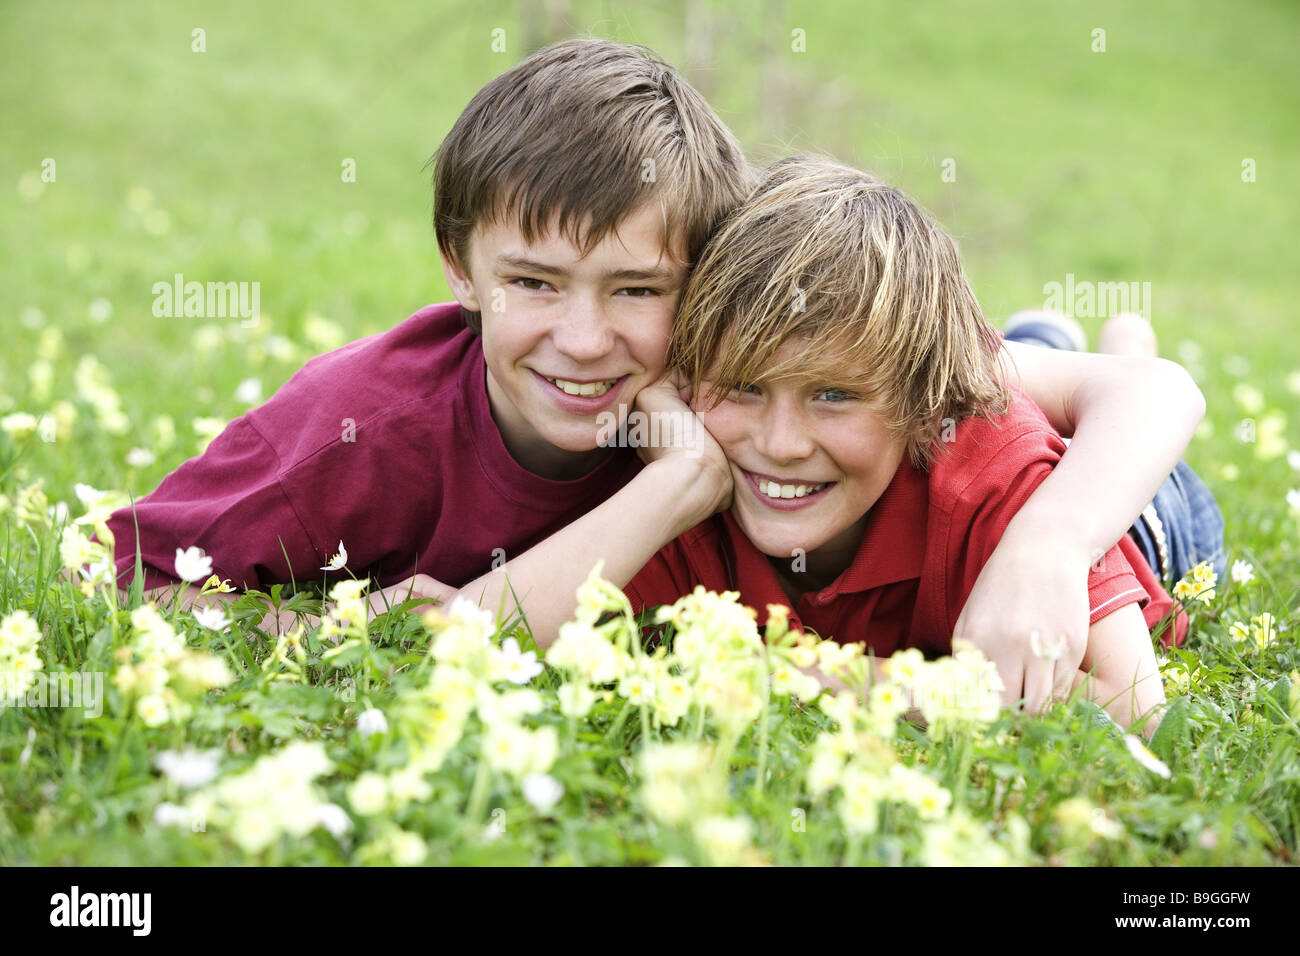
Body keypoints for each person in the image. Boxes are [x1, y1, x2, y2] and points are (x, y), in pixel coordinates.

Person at [103, 40, 1206, 719]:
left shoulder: (798, 371)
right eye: (534, 281)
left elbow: (1146, 416)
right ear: (459, 268)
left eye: (636, 290)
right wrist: (673, 486)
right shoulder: (369, 418)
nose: (585, 341)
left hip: (1113, 501)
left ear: (702, 278)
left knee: (1048, 392)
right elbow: (137, 579)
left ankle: (1084, 342)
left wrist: (1050, 541)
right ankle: (1061, 338)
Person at [520, 156, 1225, 732]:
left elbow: (1133, 707)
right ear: (682, 372)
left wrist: (812, 677)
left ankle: (1117, 340)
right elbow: (523, 636)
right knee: (1008, 365)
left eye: (833, 396)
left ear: (926, 405)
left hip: (1147, 511)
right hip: (973, 386)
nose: (781, 444)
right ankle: (1050, 342)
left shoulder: (996, 475)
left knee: (1042, 395)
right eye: (743, 387)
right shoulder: (682, 470)